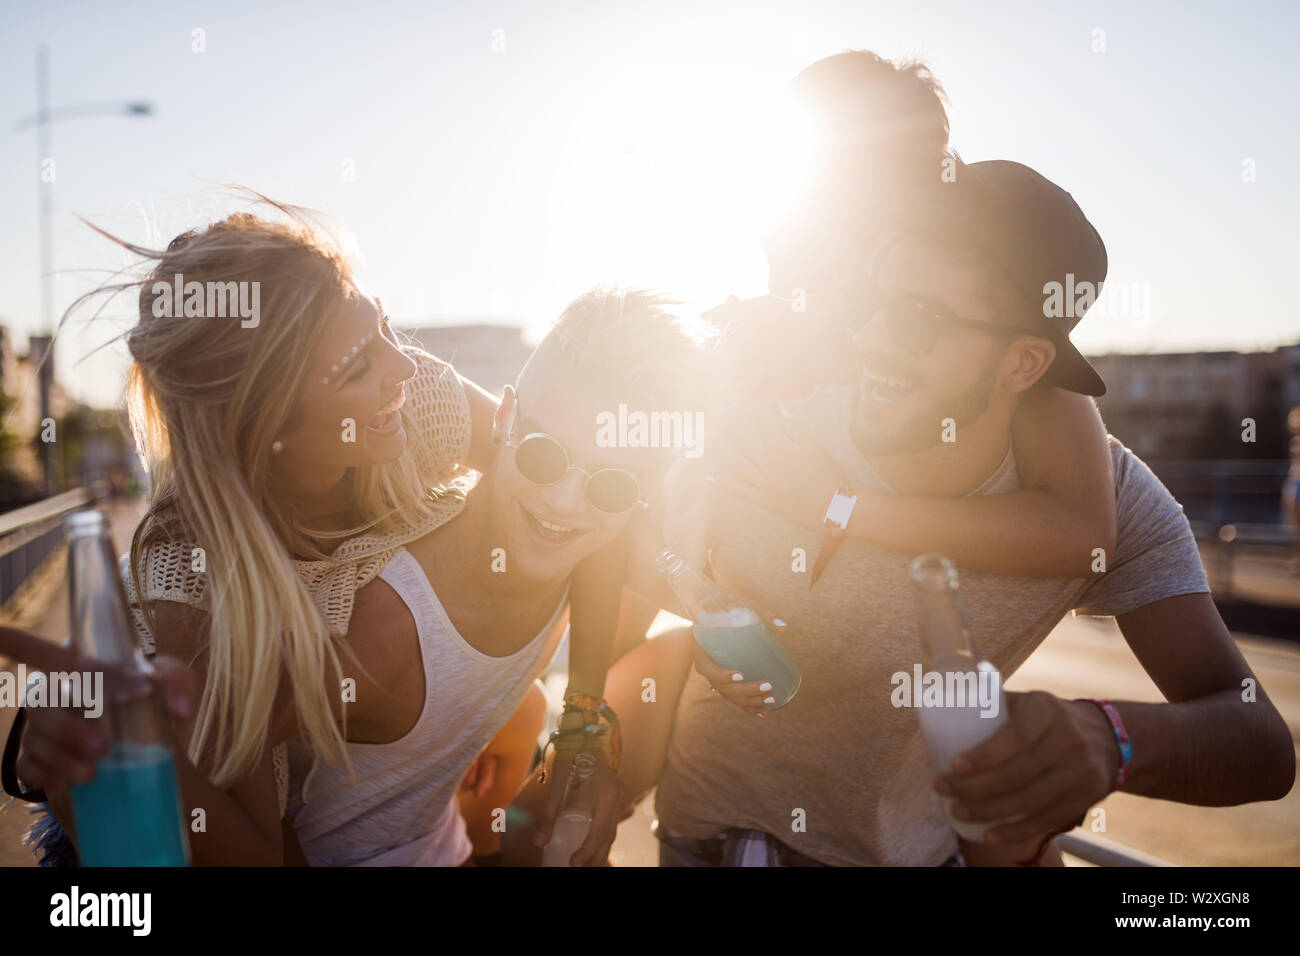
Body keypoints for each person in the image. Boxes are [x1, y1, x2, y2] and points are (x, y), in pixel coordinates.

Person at [628, 159, 1294, 866]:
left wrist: (1109, 740)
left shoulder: (1112, 502)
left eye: (918, 320)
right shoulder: (776, 433)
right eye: (871, 304)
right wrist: (706, 615)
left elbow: (1261, 744)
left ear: (1023, 365)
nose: (870, 341)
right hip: (723, 841)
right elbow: (636, 549)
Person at [7, 206, 685, 865]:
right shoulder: (201, 583)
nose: (404, 366)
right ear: (270, 423)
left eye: (382, 324)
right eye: (356, 367)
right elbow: (249, 848)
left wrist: (583, 727)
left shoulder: (414, 401)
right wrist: (83, 740)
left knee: (523, 711)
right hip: (139, 800)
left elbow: (585, 497)